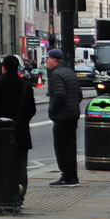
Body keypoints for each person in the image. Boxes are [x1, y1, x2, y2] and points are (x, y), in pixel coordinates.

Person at [0, 55, 37, 208]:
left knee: (1, 164)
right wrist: (22, 121)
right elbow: (32, 109)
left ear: (3, 68)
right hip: (21, 131)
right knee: (21, 166)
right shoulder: (25, 85)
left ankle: (3, 195)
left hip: (0, 132)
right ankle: (19, 196)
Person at [45, 48, 83, 185]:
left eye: (47, 58)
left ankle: (66, 176)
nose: (46, 61)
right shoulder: (69, 72)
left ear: (55, 60)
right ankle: (72, 175)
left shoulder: (56, 74)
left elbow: (60, 94)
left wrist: (52, 110)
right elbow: (79, 95)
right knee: (71, 146)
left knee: (61, 147)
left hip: (62, 116)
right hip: (73, 115)